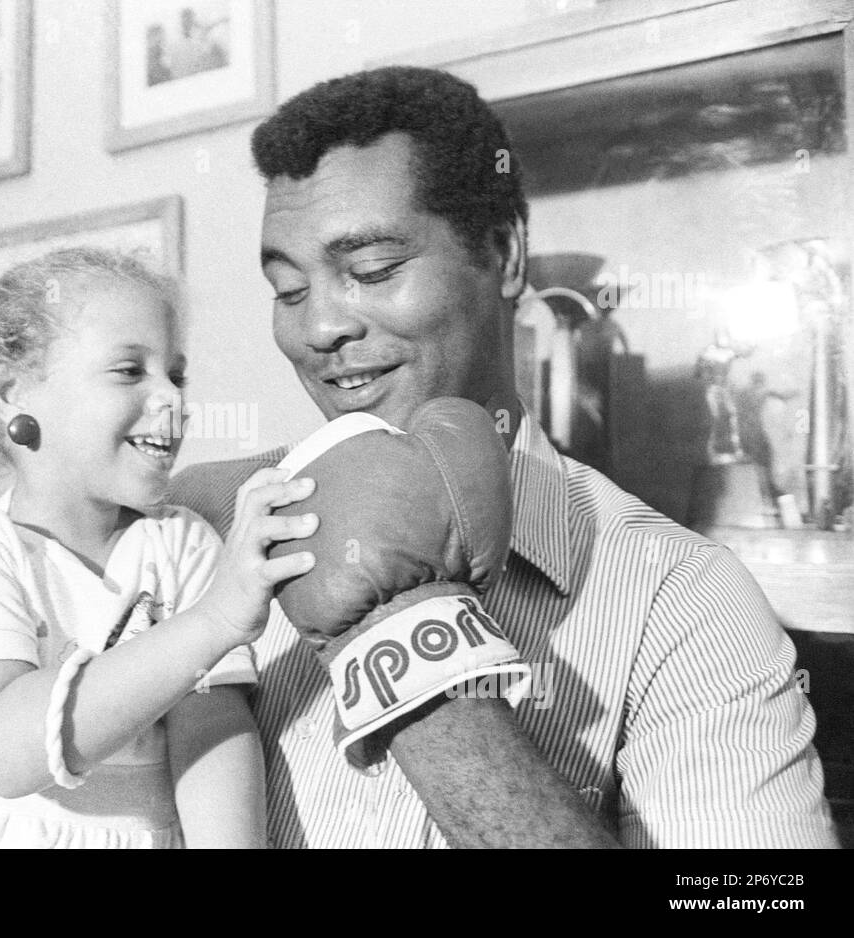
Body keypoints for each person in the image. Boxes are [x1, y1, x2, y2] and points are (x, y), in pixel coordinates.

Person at [169, 66, 838, 848]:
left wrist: (400, 631)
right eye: (287, 290)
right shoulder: (207, 531)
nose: (320, 328)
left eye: (373, 271)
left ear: (505, 256)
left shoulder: (682, 600)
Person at [0, 247, 318, 848]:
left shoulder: (184, 542)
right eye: (129, 371)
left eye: (177, 373)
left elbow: (213, 732)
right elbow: (5, 751)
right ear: (12, 391)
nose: (172, 397)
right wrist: (214, 619)